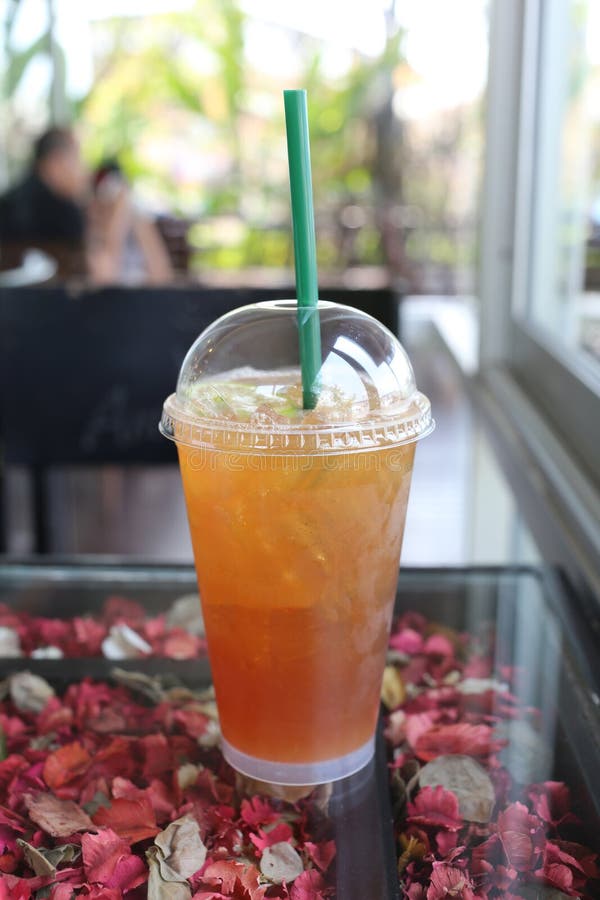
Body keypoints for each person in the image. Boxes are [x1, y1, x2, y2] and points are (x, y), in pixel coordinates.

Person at [0, 127, 88, 275]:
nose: (83, 169)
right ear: (55, 162)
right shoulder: (64, 212)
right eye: (76, 158)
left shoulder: (7, 202)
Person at [87, 159, 173, 285]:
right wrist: (116, 222)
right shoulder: (92, 227)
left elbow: (163, 276)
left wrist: (126, 214)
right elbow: (105, 277)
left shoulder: (139, 221)